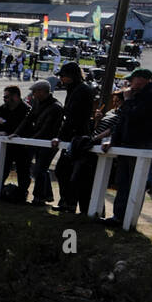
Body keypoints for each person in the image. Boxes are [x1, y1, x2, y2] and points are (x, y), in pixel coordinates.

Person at [101, 68, 152, 226]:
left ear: (142, 79)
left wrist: (128, 100)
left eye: (132, 80)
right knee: (123, 181)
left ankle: (129, 220)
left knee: (135, 183)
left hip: (141, 143)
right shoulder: (137, 94)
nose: (129, 83)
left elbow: (136, 116)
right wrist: (113, 140)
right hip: (127, 143)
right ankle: (118, 217)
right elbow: (122, 120)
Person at [13, 80, 64, 204]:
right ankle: (46, 196)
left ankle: (39, 197)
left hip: (50, 142)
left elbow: (46, 129)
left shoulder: (56, 107)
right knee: (41, 169)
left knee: (39, 169)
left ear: (42, 92)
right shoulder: (38, 102)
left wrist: (31, 141)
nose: (33, 94)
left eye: (35, 91)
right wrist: (17, 132)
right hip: (39, 140)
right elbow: (29, 118)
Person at [54, 62, 94, 213]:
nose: (61, 79)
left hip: (77, 138)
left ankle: (69, 202)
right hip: (76, 136)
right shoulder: (77, 89)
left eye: (63, 76)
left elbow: (73, 118)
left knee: (66, 171)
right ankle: (67, 201)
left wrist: (60, 136)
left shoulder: (80, 91)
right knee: (66, 172)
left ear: (70, 76)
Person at [0, 85, 31, 198]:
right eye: (4, 97)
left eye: (7, 97)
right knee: (2, 169)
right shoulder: (2, 108)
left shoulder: (26, 109)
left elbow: (24, 127)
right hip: (6, 147)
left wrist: (4, 123)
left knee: (23, 171)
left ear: (16, 97)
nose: (5, 99)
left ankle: (22, 194)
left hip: (22, 148)